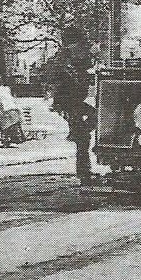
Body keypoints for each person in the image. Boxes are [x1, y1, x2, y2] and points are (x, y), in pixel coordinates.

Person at [51, 26, 94, 184]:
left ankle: (77, 133)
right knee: (84, 139)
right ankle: (84, 174)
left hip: (71, 101)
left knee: (84, 135)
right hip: (70, 102)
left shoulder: (65, 54)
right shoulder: (68, 54)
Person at [0, 75, 25, 144]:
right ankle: (16, 137)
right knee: (14, 123)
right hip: (15, 109)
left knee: (2, 123)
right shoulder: (7, 88)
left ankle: (5, 139)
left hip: (6, 111)